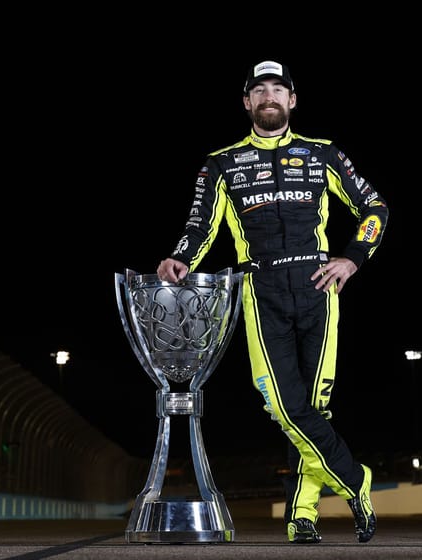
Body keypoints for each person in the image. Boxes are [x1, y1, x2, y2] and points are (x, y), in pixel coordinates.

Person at [157, 60, 388, 544]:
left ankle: (302, 516)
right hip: (260, 290)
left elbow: (375, 208)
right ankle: (355, 479)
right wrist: (178, 258)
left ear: (292, 100)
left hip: (319, 286)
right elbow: (200, 227)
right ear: (246, 102)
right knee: (283, 405)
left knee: (313, 408)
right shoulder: (220, 162)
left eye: (277, 90)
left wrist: (352, 259)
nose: (269, 97)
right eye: (259, 90)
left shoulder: (323, 152)